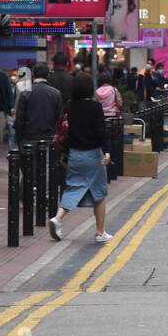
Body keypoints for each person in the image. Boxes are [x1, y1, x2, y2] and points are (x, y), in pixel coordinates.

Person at [47, 73, 111, 245]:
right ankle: (100, 232)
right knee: (99, 192)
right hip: (93, 154)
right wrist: (107, 152)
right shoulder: (95, 107)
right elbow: (101, 132)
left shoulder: (70, 106)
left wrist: (64, 153)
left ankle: (58, 218)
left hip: (75, 154)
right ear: (90, 88)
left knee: (73, 188)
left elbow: (64, 132)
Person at [14, 63, 62, 142]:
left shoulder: (25, 93)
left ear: (32, 74)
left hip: (29, 138)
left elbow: (20, 119)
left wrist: (20, 140)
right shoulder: (56, 93)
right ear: (48, 75)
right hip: (50, 137)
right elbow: (59, 118)